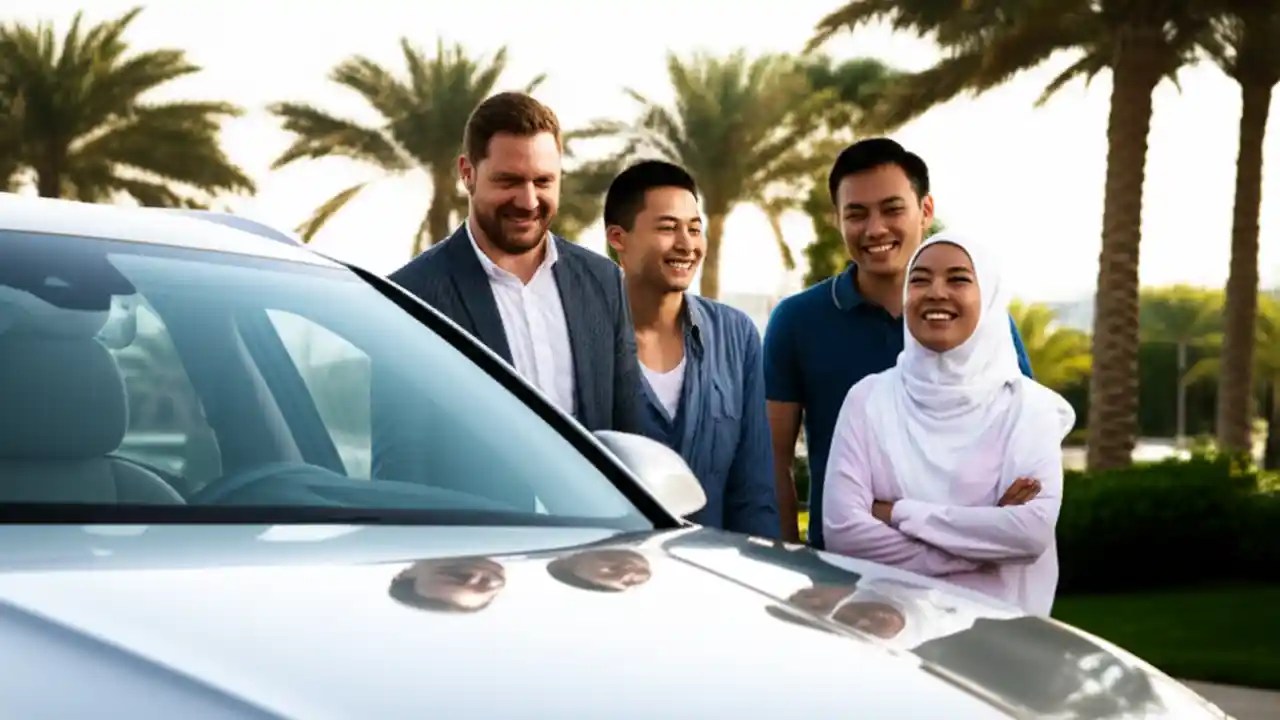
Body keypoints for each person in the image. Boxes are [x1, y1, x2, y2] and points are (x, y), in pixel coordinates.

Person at [762, 138, 1034, 547]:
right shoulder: (797, 321)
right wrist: (788, 561)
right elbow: (772, 459)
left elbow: (1026, 444)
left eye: (892, 209)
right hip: (843, 569)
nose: (875, 229)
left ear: (925, 210)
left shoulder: (981, 319)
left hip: (969, 568)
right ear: (837, 220)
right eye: (856, 214)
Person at [822, 233, 1076, 616]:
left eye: (958, 279)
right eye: (920, 279)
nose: (936, 292)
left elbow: (1028, 533)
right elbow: (844, 534)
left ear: (989, 297)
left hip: (998, 636)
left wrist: (896, 513)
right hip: (890, 629)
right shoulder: (868, 399)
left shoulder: (1029, 408)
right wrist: (980, 551)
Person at [387, 91, 642, 434]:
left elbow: (630, 436)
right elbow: (401, 449)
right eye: (509, 181)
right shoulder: (409, 298)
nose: (528, 201)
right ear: (468, 173)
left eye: (543, 181)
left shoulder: (604, 282)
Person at [604, 160, 779, 537]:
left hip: (712, 566)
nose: (687, 245)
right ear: (618, 238)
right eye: (668, 228)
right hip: (615, 564)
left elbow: (754, 491)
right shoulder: (585, 339)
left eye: (695, 229)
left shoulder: (736, 336)